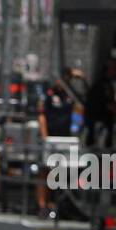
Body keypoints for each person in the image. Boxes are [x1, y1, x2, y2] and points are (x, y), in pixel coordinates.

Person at [37, 72, 78, 219]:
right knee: (45, 171)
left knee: (62, 172)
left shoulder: (70, 96)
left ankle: (57, 204)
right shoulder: (48, 95)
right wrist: (45, 137)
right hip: (50, 138)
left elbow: (80, 110)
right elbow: (41, 115)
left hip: (65, 138)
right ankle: (42, 205)